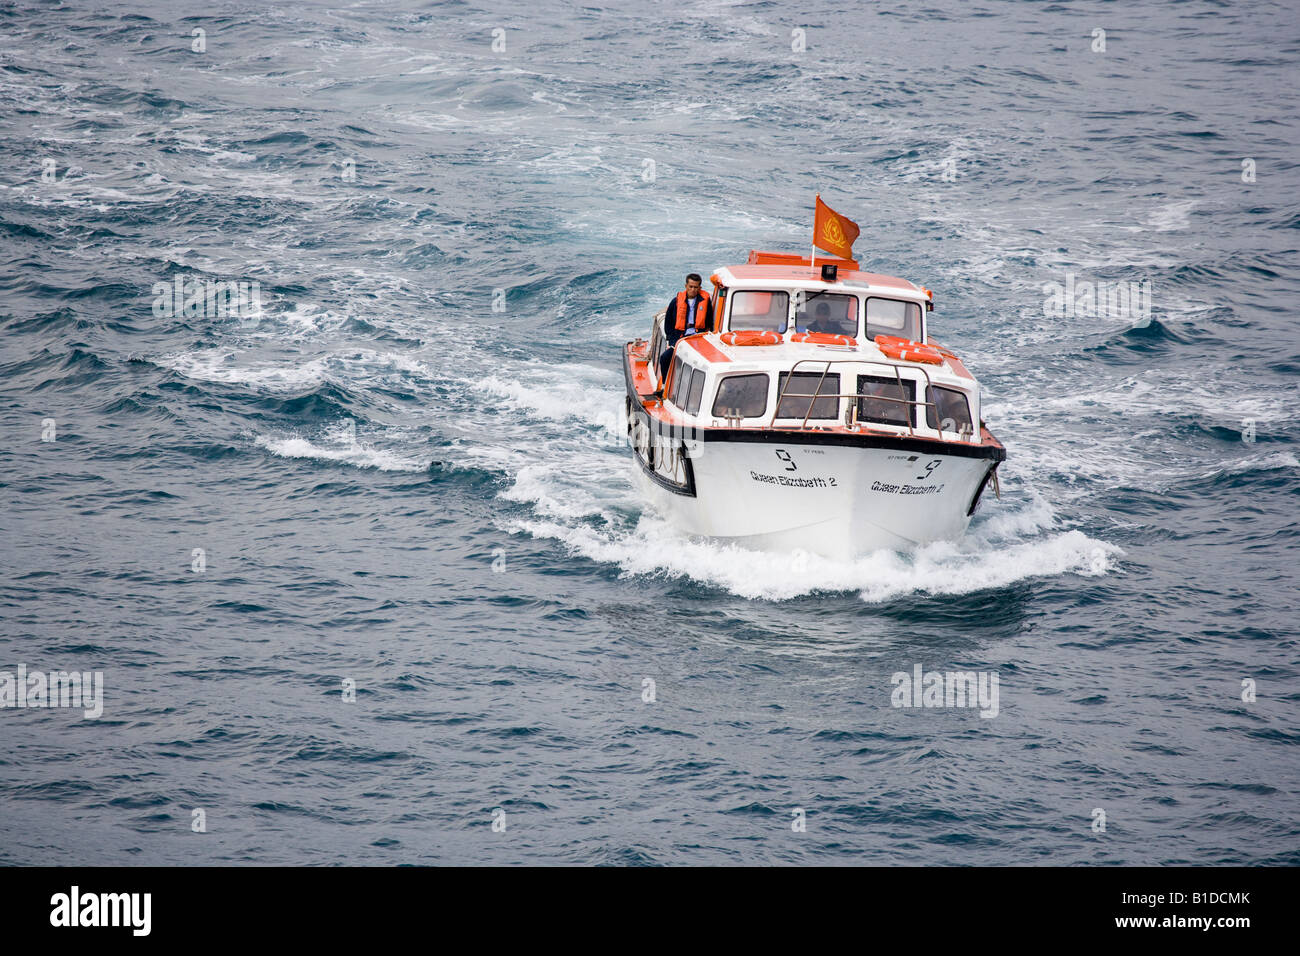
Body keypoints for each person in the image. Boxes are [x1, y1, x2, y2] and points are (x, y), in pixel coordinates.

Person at [659, 273, 711, 382]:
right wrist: (672, 340)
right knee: (664, 358)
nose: (693, 289)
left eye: (695, 287)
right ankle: (664, 383)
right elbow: (668, 323)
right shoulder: (676, 302)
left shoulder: (705, 301)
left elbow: (710, 321)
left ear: (700, 288)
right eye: (690, 286)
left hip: (698, 336)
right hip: (680, 337)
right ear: (685, 286)